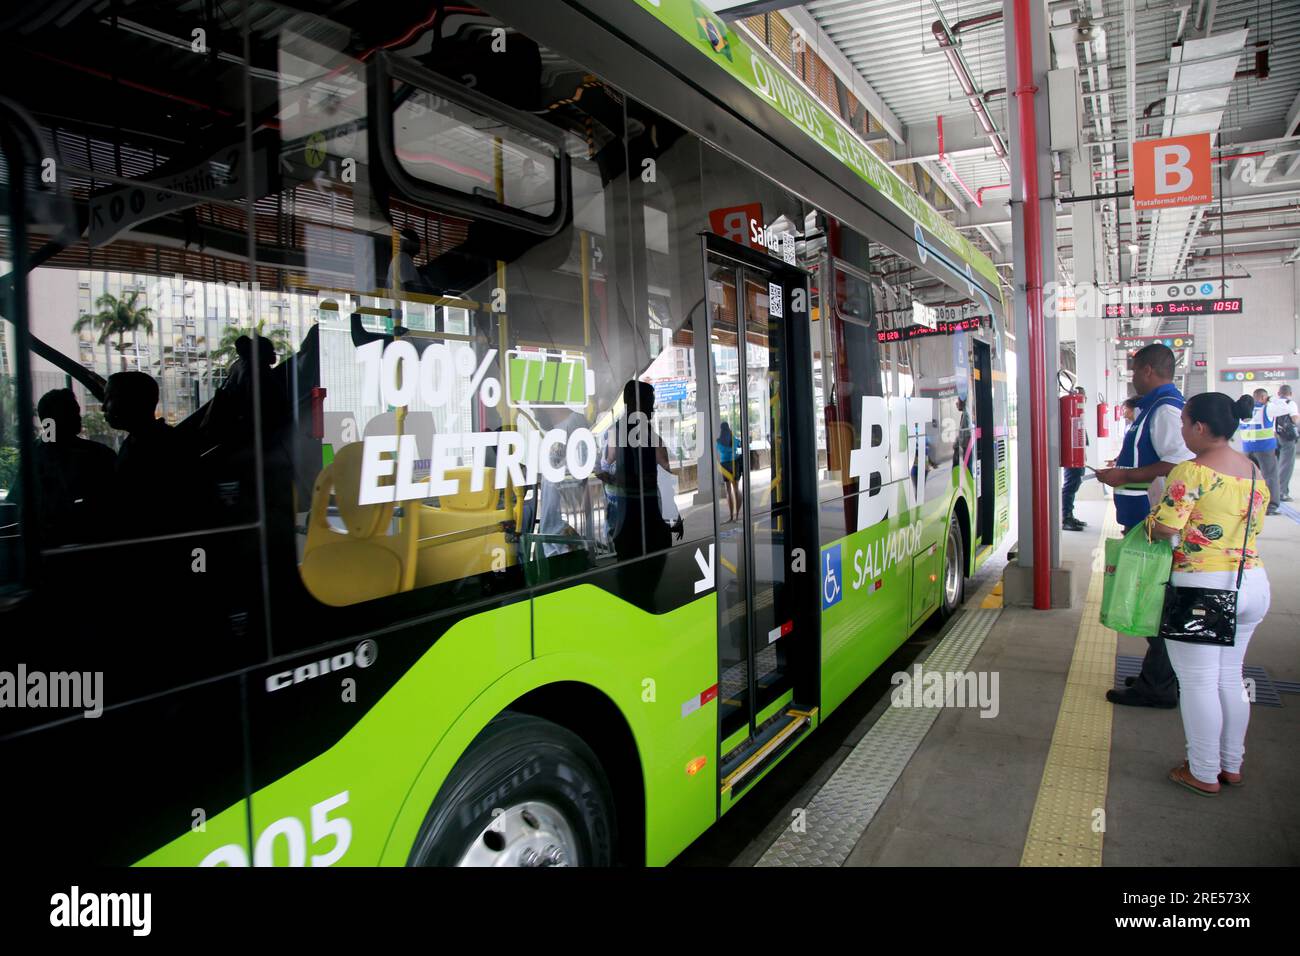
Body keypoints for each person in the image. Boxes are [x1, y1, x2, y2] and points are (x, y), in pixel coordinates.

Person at [1144, 393, 1270, 796]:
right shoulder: (1253, 470)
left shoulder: (1192, 472)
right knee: (1230, 678)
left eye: (1184, 423)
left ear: (1200, 427)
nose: (1182, 430)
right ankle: (1231, 765)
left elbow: (1166, 527)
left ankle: (1201, 771)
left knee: (1198, 682)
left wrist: (1151, 519)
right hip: (1251, 581)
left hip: (1204, 586)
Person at [1095, 344, 1192, 708]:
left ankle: (1159, 686)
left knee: (1155, 601)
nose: (1132, 376)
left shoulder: (1166, 409)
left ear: (1149, 371)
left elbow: (1177, 463)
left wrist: (1126, 474)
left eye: (1135, 370)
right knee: (1155, 599)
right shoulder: (1155, 407)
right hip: (1144, 518)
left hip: (1154, 520)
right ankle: (1159, 676)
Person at [103, 371, 206, 537]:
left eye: (109, 398)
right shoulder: (143, 441)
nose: (103, 406)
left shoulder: (162, 447)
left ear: (133, 401)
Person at [12, 388, 117, 544]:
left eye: (75, 412)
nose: (77, 418)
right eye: (70, 413)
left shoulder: (33, 453)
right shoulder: (98, 455)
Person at [598, 380, 672, 561]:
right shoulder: (630, 430)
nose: (652, 409)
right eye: (649, 402)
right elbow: (662, 464)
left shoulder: (631, 429)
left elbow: (609, 461)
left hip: (634, 513)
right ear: (634, 401)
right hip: (631, 515)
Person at [1238, 388, 1281, 516]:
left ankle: (1248, 505)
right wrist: (1271, 400)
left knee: (1249, 478)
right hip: (1265, 447)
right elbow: (1287, 407)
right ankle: (1271, 506)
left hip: (1247, 448)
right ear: (1263, 397)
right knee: (1270, 475)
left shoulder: (1244, 409)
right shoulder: (1267, 408)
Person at [1062, 386, 1088, 532]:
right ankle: (1066, 517)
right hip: (1072, 457)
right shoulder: (1072, 414)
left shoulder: (1079, 416)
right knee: (1070, 486)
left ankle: (1069, 514)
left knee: (1075, 484)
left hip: (1078, 457)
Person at [1272, 384, 1298, 502]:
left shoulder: (1272, 403)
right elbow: (1294, 419)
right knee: (1287, 464)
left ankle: (1273, 491)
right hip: (1286, 437)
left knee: (1274, 465)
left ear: (1278, 393)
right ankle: (1282, 492)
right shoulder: (1290, 403)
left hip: (1272, 436)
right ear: (1290, 394)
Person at [716, 420, 742, 523]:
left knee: (728, 490)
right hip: (734, 464)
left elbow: (719, 451)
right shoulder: (734, 439)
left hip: (724, 465)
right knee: (736, 489)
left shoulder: (718, 441)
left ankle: (731, 516)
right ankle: (737, 515)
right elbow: (740, 446)